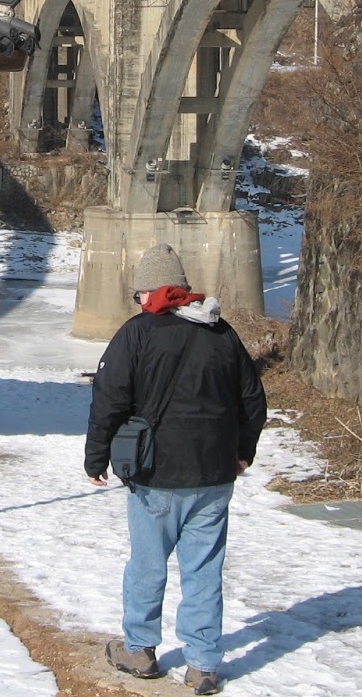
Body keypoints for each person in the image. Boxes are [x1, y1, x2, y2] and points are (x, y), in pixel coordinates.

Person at [84, 243, 266, 696]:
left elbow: (109, 399)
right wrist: (244, 452)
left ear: (152, 292)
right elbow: (253, 401)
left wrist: (96, 456)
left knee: (148, 563)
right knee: (204, 567)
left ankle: (141, 650)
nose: (138, 303)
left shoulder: (138, 333)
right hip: (215, 473)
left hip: (156, 473)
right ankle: (203, 664)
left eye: (138, 295)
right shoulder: (222, 332)